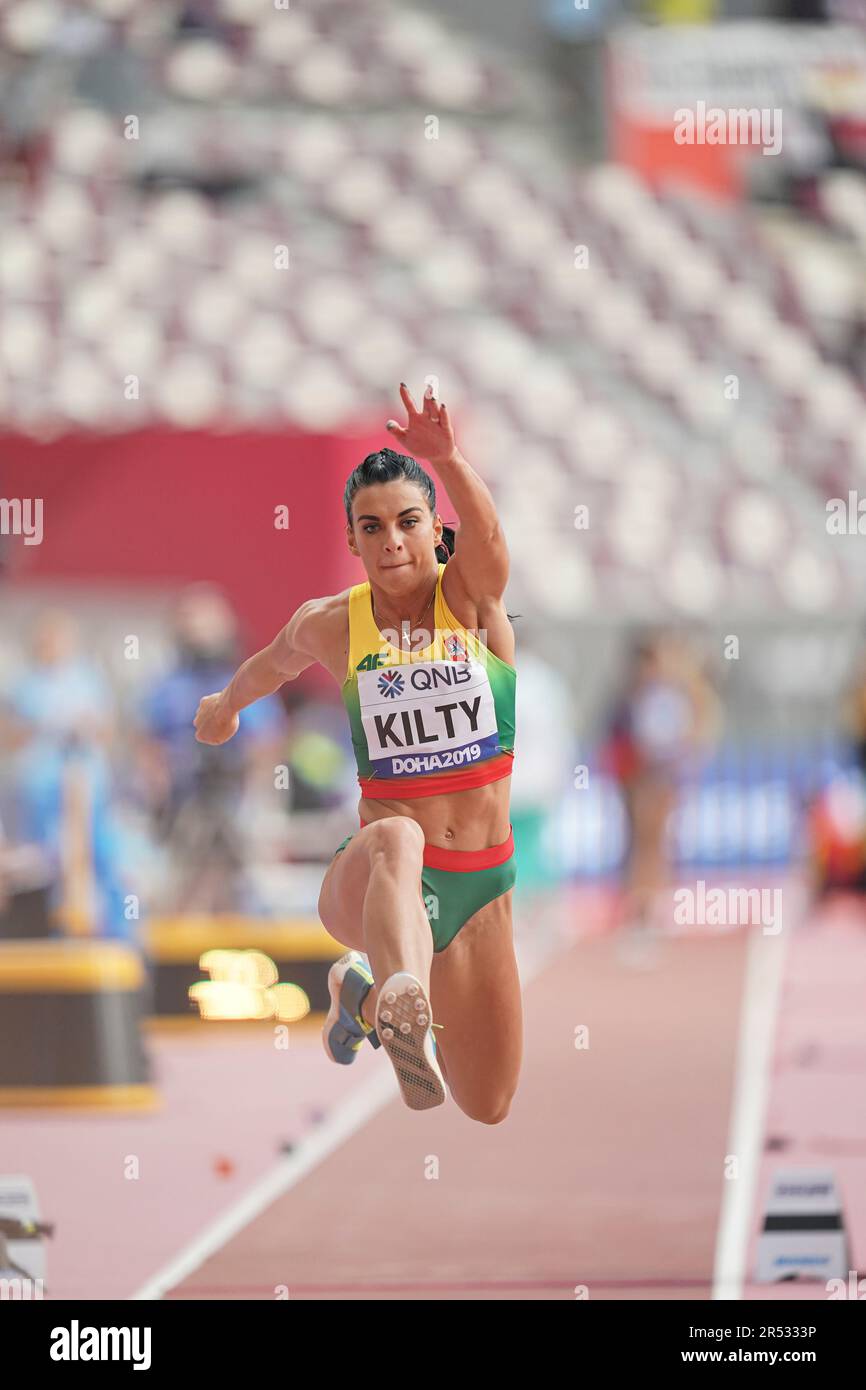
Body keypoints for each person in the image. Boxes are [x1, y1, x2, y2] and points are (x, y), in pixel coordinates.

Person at [194, 383, 520, 1120]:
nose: (391, 541)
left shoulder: (469, 602)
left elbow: (492, 543)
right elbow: (271, 663)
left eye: (408, 522)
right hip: (377, 874)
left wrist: (450, 459)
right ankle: (399, 992)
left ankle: (363, 995)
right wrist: (222, 709)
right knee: (398, 836)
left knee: (489, 1101)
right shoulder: (334, 625)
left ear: (438, 530)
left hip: (480, 883)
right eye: (371, 528)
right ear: (352, 541)